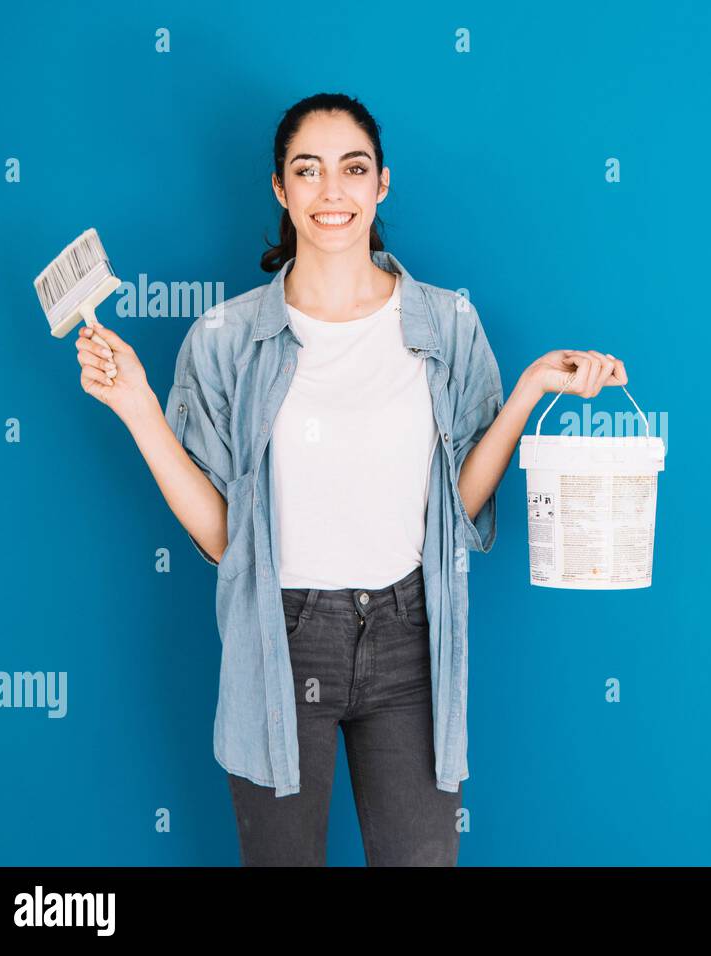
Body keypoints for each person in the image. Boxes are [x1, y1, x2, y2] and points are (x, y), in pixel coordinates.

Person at [72, 92, 627, 866]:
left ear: (382, 185)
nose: (332, 192)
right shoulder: (226, 339)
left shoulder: (447, 326)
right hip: (280, 638)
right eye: (308, 170)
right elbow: (223, 536)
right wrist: (136, 407)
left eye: (352, 169)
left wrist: (531, 388)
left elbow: (458, 511)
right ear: (280, 189)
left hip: (411, 640)